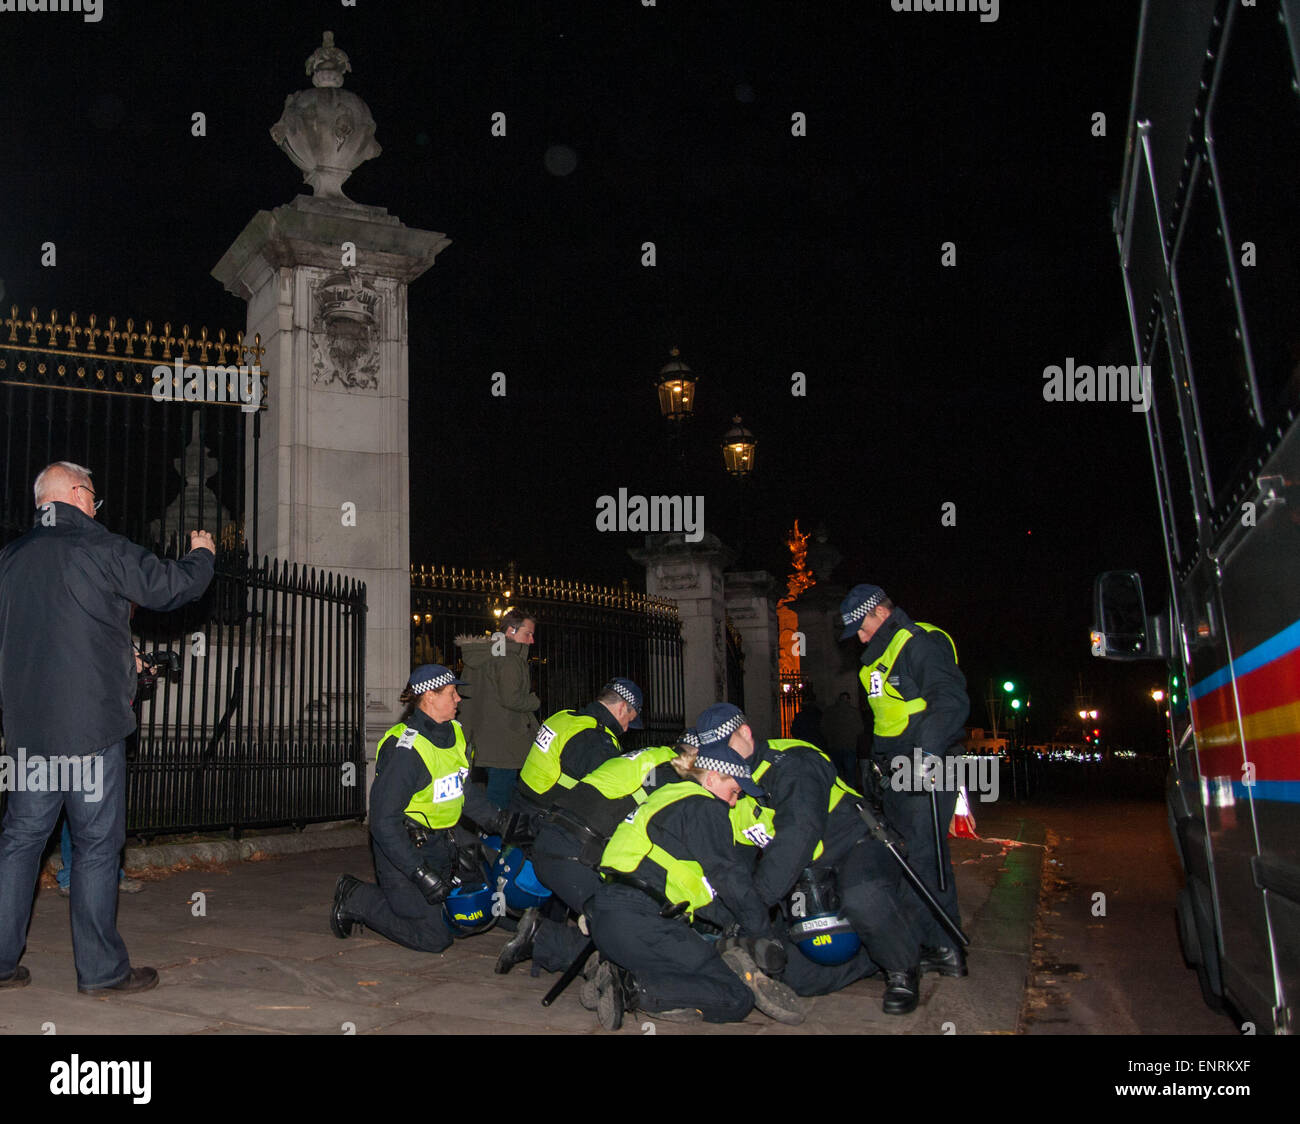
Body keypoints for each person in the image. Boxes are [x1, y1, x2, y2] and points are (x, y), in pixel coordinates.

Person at [0, 461, 214, 994]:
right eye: (94, 497)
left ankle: (1, 962)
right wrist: (203, 554)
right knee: (97, 846)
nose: (97, 507)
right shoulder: (101, 547)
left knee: (21, 842)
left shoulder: (10, 558)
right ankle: (99, 971)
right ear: (76, 493)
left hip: (28, 733)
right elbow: (171, 586)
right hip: (90, 730)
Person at [695, 702, 926, 1014]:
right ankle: (871, 959)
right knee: (787, 971)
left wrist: (755, 903)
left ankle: (902, 967)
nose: (724, 759)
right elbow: (736, 860)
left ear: (746, 733)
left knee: (863, 896)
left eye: (727, 747)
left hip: (856, 845)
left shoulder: (793, 762)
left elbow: (798, 835)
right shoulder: (733, 786)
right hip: (806, 873)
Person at [584, 738, 804, 1029]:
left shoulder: (668, 796)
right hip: (644, 921)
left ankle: (615, 969)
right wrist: (763, 934)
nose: (734, 801)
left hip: (608, 915)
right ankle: (631, 987)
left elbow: (701, 891)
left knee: (701, 968)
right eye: (734, 791)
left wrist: (733, 927)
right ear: (712, 778)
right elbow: (731, 878)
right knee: (736, 997)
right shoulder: (704, 808)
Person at [840, 582, 971, 979]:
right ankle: (937, 944)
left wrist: (926, 757)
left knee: (923, 861)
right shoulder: (878, 657)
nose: (860, 638)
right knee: (911, 858)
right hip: (898, 769)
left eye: (862, 628)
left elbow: (950, 701)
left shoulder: (919, 643)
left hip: (926, 765)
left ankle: (946, 947)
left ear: (880, 612)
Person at [330, 664, 509, 953]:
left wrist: (502, 822)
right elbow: (383, 823)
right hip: (404, 854)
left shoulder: (455, 734)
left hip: (445, 844)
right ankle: (356, 897)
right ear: (429, 696)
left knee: (482, 909)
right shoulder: (405, 752)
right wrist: (419, 873)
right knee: (434, 937)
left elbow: (462, 789)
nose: (458, 700)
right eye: (451, 693)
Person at [494, 731, 689, 976]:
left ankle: (545, 936)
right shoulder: (672, 776)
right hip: (574, 855)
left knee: (619, 924)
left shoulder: (648, 756)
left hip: (549, 840)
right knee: (630, 928)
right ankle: (550, 941)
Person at [512, 678, 643, 817]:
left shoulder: (564, 717)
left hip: (518, 806)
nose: (626, 728)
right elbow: (610, 795)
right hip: (545, 821)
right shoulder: (597, 739)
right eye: (629, 720)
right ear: (622, 708)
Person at [456, 610, 540, 810]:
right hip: (506, 739)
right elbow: (511, 699)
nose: (532, 640)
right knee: (501, 798)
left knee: (493, 793)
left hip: (485, 735)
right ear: (511, 631)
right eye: (527, 634)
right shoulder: (509, 659)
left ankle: (488, 835)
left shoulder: (484, 654)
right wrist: (534, 701)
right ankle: (493, 839)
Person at [821, 690, 865, 786]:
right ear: (848, 700)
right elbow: (860, 729)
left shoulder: (830, 711)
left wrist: (830, 738)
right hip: (850, 745)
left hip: (834, 745)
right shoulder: (854, 712)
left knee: (836, 772)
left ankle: (838, 791)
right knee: (850, 773)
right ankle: (850, 793)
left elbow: (823, 727)